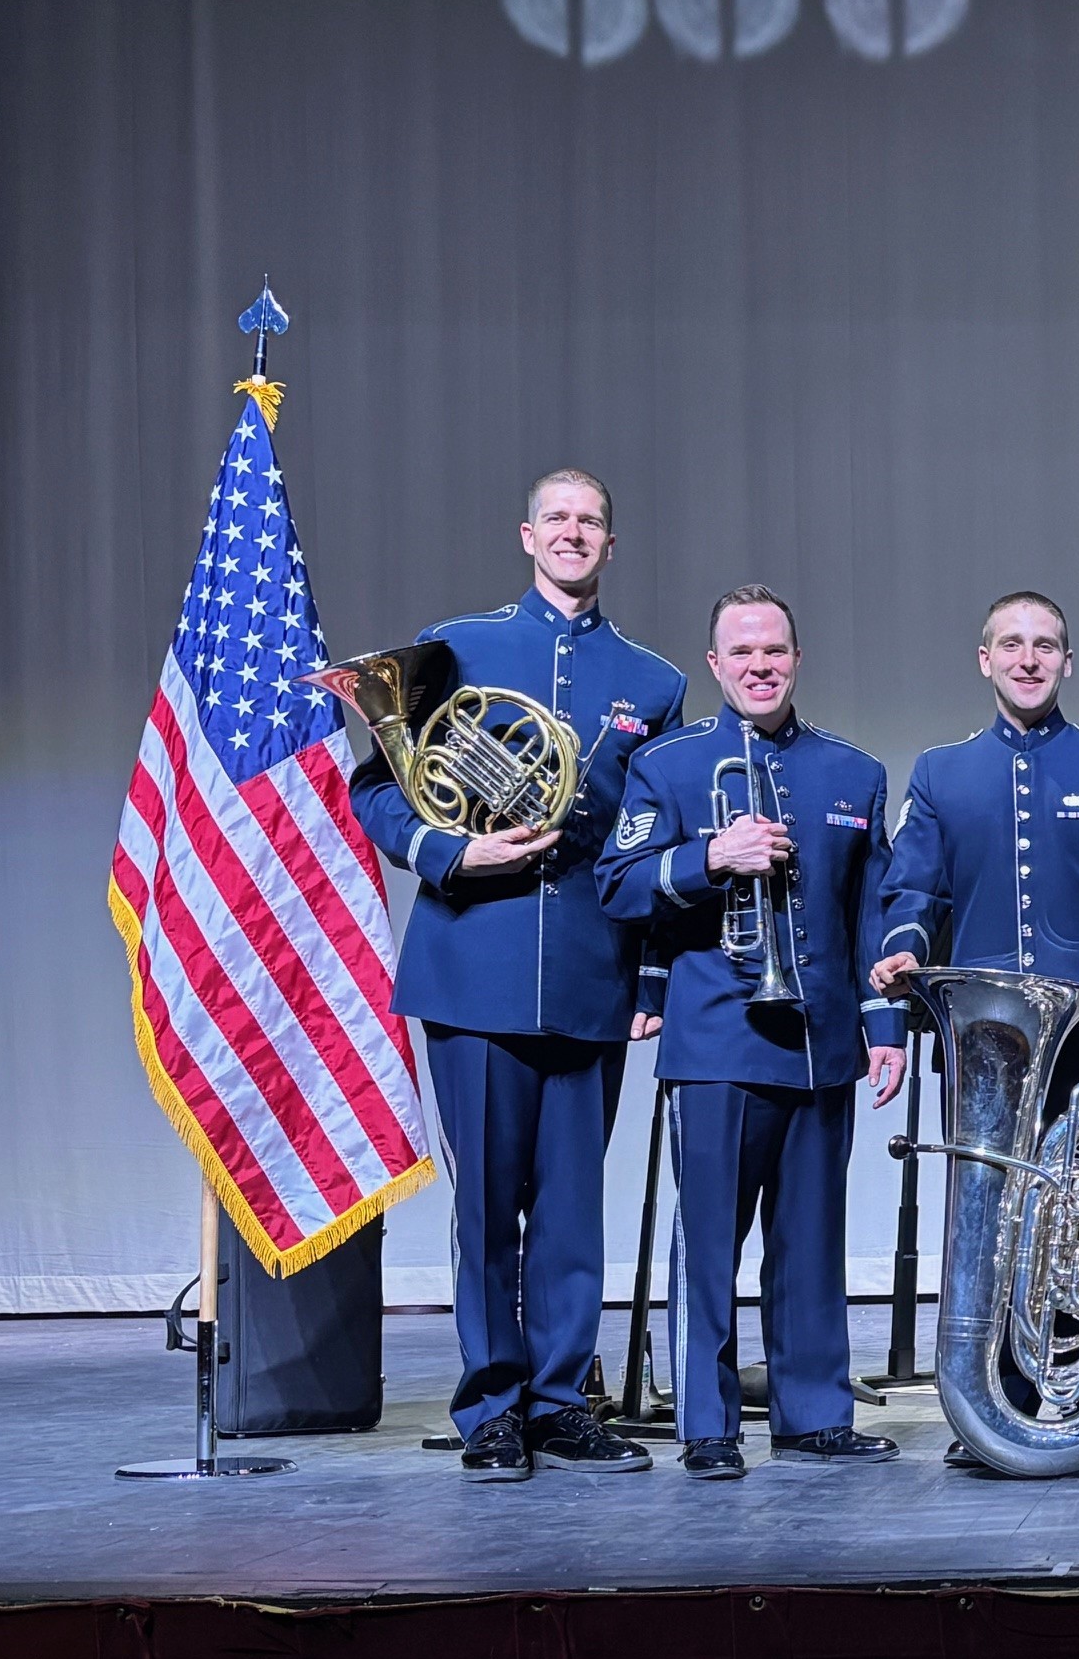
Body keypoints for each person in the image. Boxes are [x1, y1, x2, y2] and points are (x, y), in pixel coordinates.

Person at [350, 468, 685, 1482]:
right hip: (473, 964)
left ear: (610, 545)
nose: (574, 533)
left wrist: (653, 981)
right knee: (488, 1209)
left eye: (592, 521)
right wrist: (454, 853)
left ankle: (562, 1404)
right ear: (527, 536)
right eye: (558, 519)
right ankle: (491, 1409)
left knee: (573, 1212)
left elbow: (657, 835)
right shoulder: (458, 646)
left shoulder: (654, 681)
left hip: (592, 969)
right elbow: (379, 787)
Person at [597, 586, 908, 1480]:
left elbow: (871, 914)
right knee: (707, 1246)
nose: (760, 666)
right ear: (715, 664)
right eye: (742, 652)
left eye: (774, 650)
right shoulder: (668, 764)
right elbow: (617, 884)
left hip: (822, 1042)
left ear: (797, 660)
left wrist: (885, 1026)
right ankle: (708, 1425)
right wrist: (710, 858)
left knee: (811, 1243)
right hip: (717, 1042)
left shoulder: (853, 772)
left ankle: (815, 1416)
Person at [870, 589, 1079, 1465]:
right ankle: (988, 1411)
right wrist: (902, 952)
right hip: (985, 1047)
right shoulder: (941, 773)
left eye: (1045, 645)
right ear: (985, 660)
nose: (1029, 659)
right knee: (990, 1227)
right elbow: (912, 891)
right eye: (1012, 644)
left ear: (1067, 661)